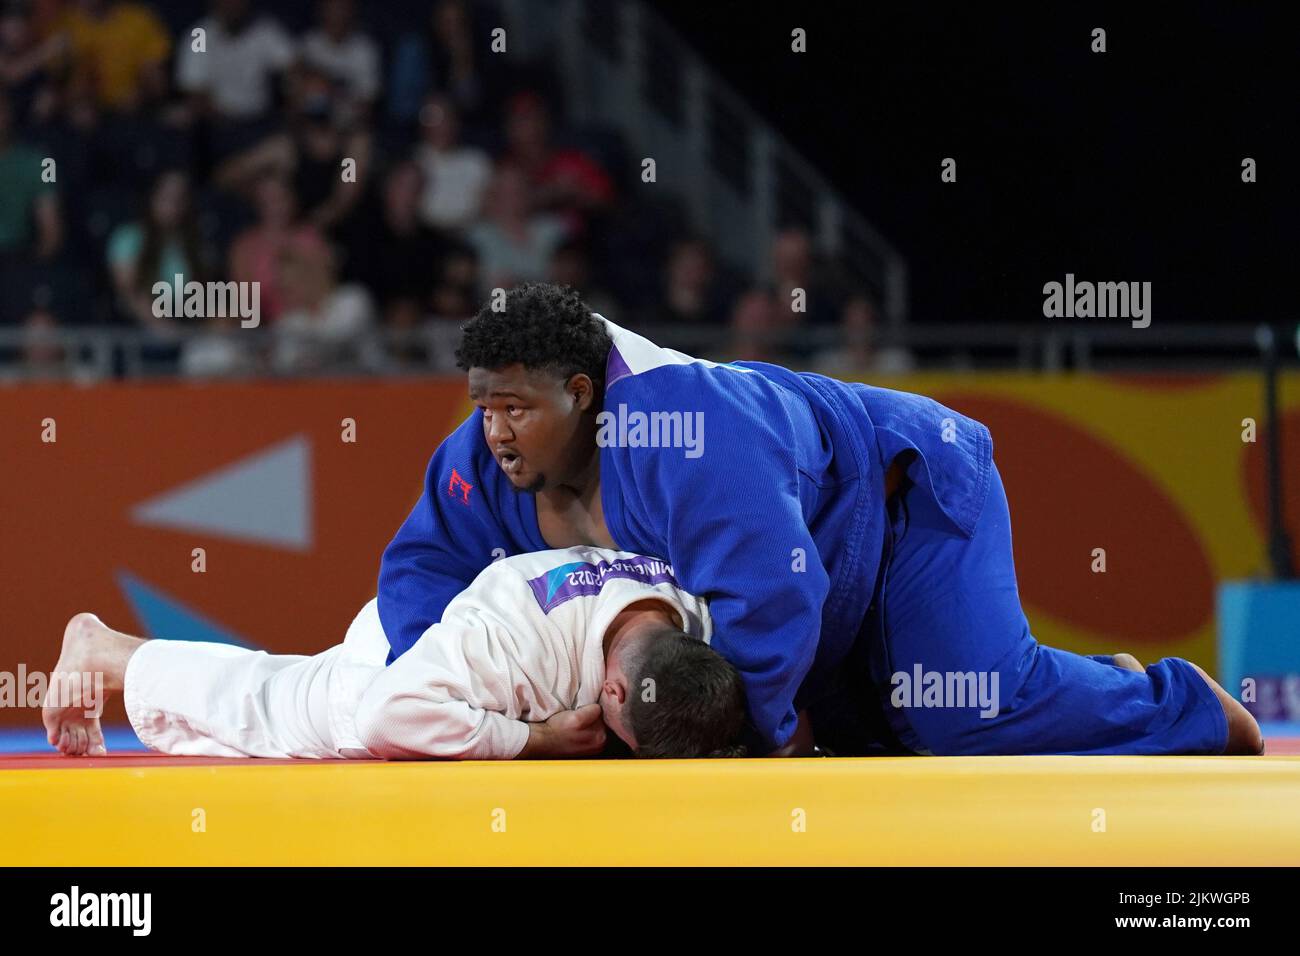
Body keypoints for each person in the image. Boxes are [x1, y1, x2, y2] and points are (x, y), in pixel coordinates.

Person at [376, 282, 1264, 758]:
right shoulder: (483, 459)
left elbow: (773, 595)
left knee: (958, 716)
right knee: (866, 735)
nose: (492, 431)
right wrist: (441, 696)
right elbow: (419, 575)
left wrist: (747, 746)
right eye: (483, 406)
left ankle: (1183, 707)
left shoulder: (686, 431)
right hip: (823, 558)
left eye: (514, 408)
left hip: (908, 493)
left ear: (581, 393)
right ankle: (1076, 683)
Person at [42, 547, 747, 761]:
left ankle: (111, 651)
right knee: (273, 711)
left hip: (445, 623)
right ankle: (105, 651)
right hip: (397, 662)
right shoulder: (511, 648)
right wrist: (533, 737)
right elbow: (388, 714)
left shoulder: (691, 613)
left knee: (279, 685)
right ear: (616, 694)